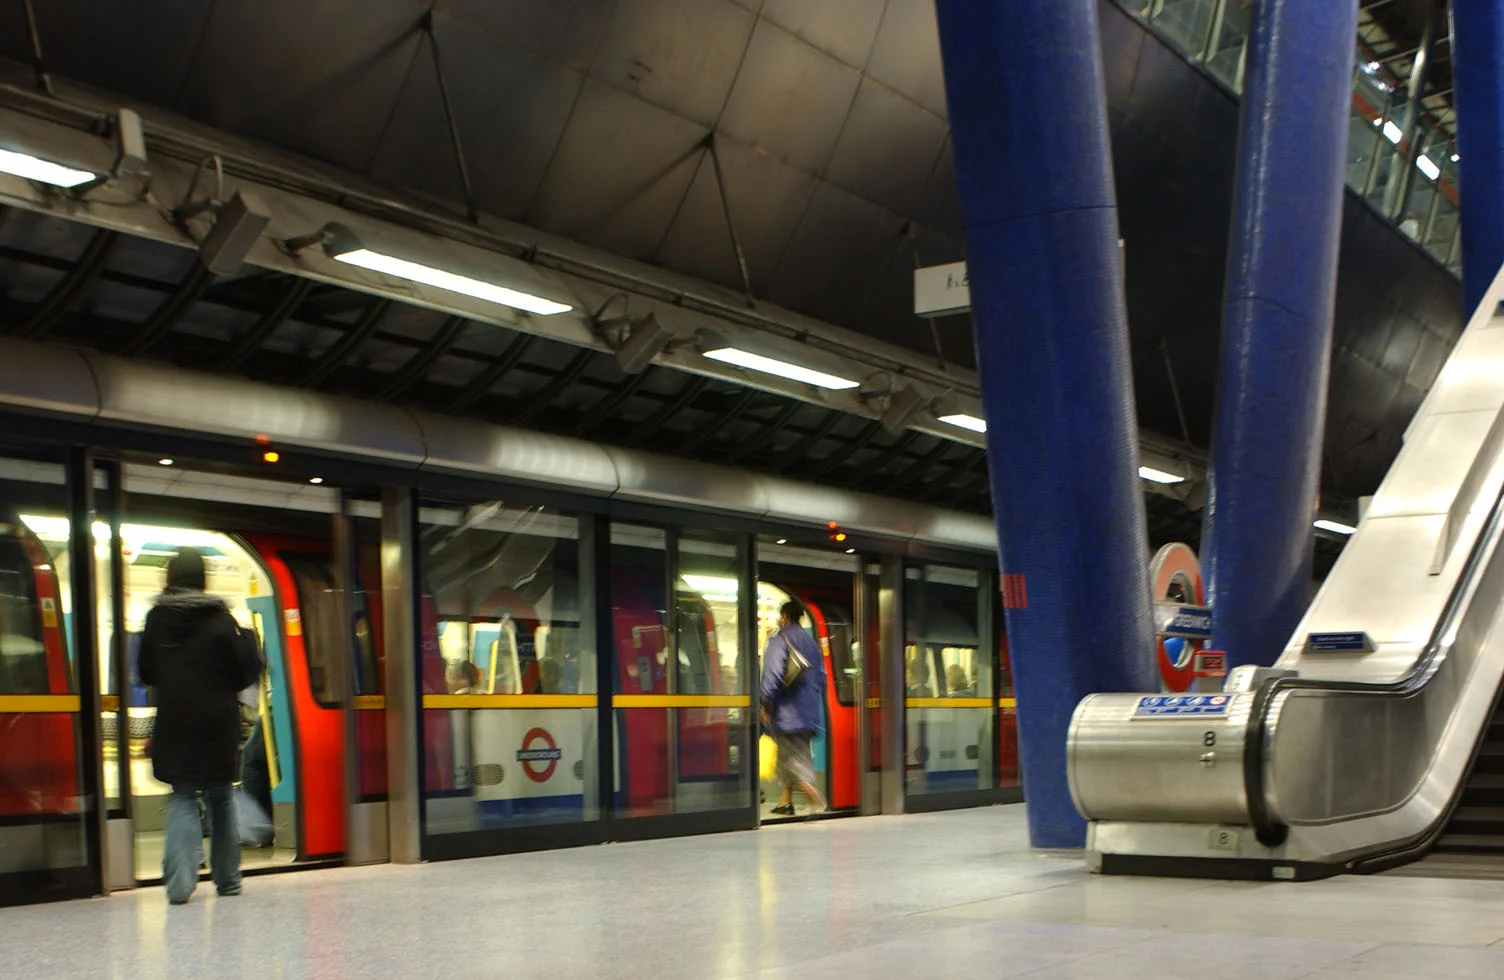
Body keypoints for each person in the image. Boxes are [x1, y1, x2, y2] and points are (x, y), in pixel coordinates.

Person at [139, 548, 263, 905]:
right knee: (221, 799)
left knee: (182, 798)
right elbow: (242, 676)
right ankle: (228, 882)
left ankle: (179, 886)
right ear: (203, 579)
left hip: (176, 721)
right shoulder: (221, 620)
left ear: (172, 578)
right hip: (217, 723)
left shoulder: (157, 619)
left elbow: (146, 672)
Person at [759, 600, 827, 816]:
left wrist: (765, 703)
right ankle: (785, 802)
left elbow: (773, 675)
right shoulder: (812, 644)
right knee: (791, 755)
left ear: (785, 617)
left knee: (792, 759)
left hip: (787, 711)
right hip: (809, 711)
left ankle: (814, 796)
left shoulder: (780, 639)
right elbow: (822, 678)